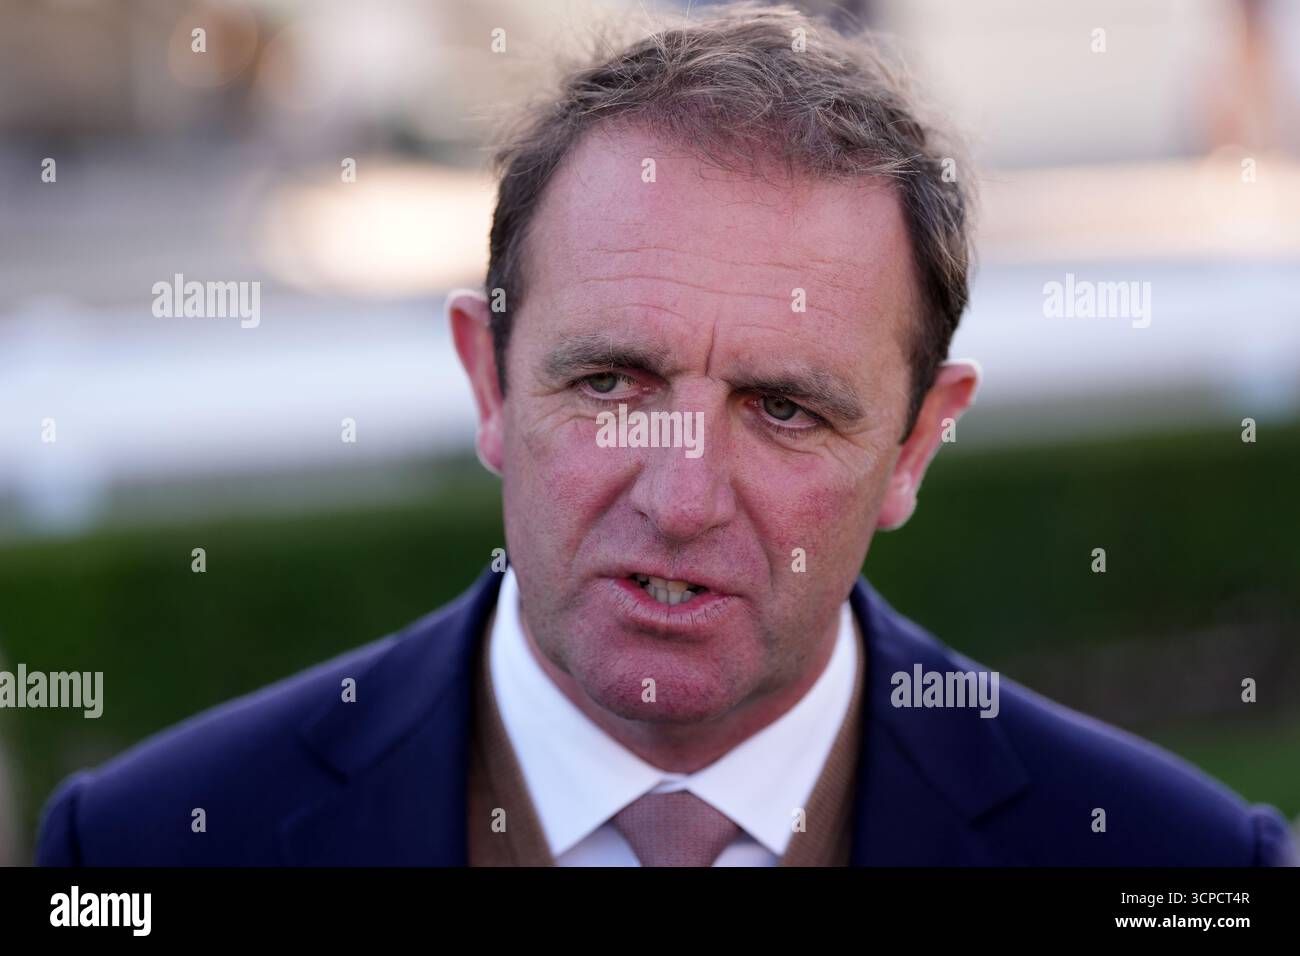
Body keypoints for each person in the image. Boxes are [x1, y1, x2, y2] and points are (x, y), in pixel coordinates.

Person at [36, 2, 1295, 867]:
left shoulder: (1174, 867)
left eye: (785, 407)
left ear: (916, 441)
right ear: (487, 382)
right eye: (612, 382)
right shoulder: (149, 847)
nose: (682, 498)